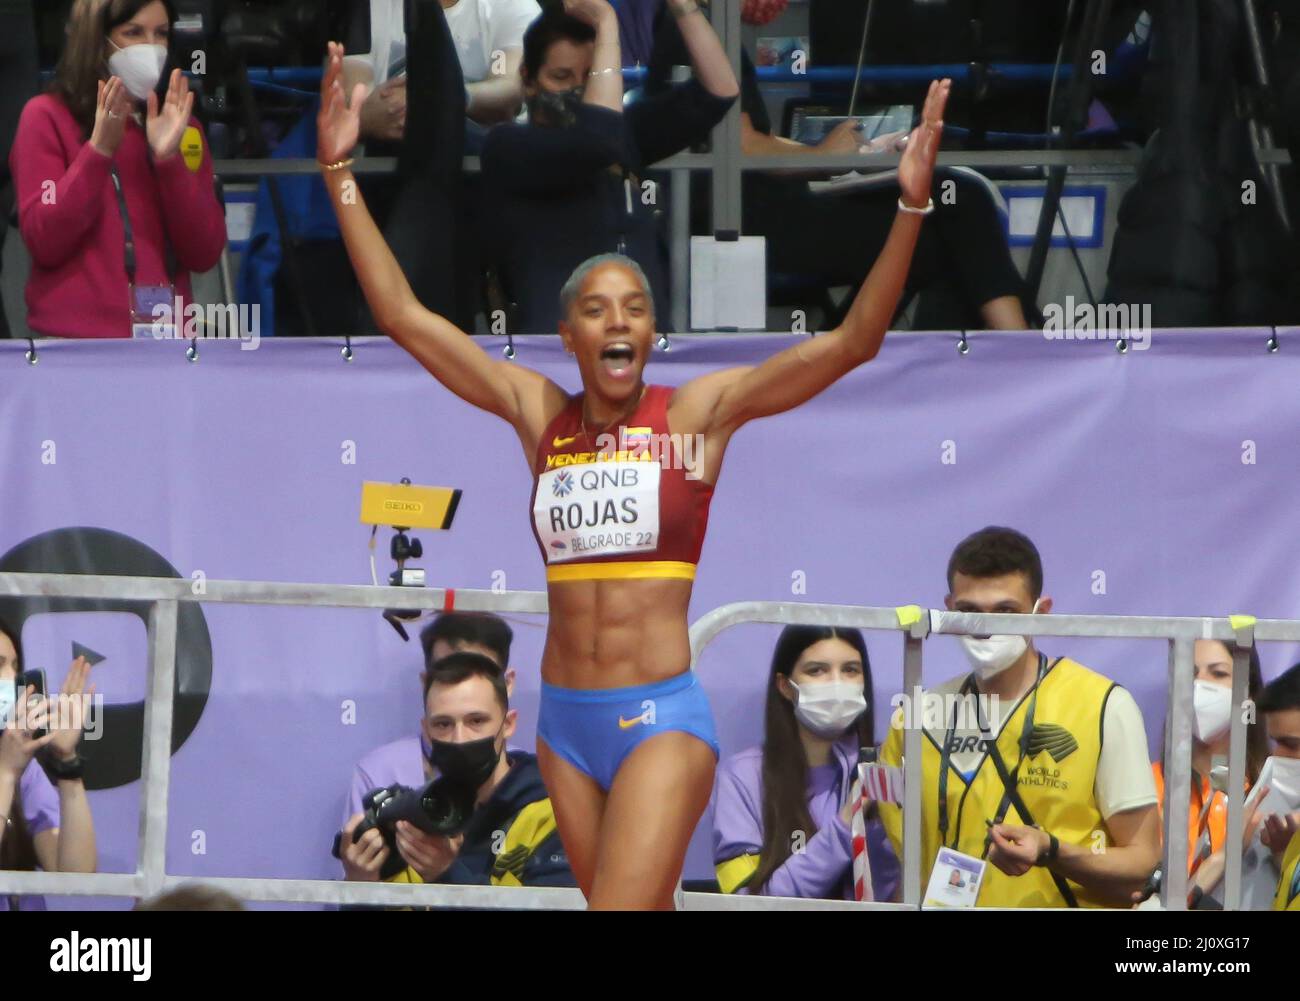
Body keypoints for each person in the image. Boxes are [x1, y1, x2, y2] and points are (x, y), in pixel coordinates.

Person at [318, 27, 950, 906]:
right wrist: (339, 176)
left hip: (661, 716)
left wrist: (911, 207)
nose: (618, 320)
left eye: (636, 307)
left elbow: (853, 341)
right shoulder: (537, 412)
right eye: (595, 307)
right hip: (564, 729)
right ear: (568, 331)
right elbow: (402, 316)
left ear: (650, 333)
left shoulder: (698, 411)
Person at [642, 10, 1029, 331]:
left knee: (957, 200)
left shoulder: (706, 24)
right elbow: (742, 145)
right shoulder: (694, 27)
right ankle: (1020, 357)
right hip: (753, 224)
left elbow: (750, 139)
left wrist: (862, 155)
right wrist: (824, 155)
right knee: (962, 209)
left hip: (775, 207)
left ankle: (977, 373)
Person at [878, 526, 1161, 908]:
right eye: (970, 612)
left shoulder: (1103, 705)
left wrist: (1051, 850)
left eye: (1006, 612)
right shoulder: (915, 719)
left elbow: (1142, 860)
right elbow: (909, 867)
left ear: (1040, 612)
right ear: (948, 610)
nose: (986, 628)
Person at [480, 0, 739, 334]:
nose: (577, 89)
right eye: (561, 77)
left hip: (642, 348)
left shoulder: (625, 134)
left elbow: (719, 90)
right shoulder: (507, 146)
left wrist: (683, 8)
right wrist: (606, 20)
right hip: (555, 353)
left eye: (589, 75)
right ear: (528, 80)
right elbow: (596, 139)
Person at [8, 0, 225, 339]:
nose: (151, 48)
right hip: (75, 351)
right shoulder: (45, 117)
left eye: (161, 34)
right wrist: (98, 152)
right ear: (96, 39)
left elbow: (205, 252)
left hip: (168, 346)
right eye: (133, 32)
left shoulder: (185, 128)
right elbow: (43, 238)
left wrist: (168, 161)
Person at [339, 652, 573, 889]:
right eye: (443, 724)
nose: (459, 739)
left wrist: (447, 875)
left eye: (476, 721)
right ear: (427, 731)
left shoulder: (557, 816)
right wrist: (362, 887)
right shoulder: (415, 818)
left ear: (508, 724)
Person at [711, 625, 899, 900]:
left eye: (850, 670)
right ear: (786, 686)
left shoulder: (889, 770)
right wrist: (846, 823)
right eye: (817, 670)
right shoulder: (741, 777)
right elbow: (747, 900)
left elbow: (907, 887)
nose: (837, 684)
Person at [341, 611, 517, 838]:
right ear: (426, 682)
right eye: (448, 671)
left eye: (481, 670)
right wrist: (360, 872)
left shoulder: (531, 782)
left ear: (507, 684)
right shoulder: (378, 773)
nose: (461, 683)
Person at [1150, 639, 1267, 900]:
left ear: (1249, 696)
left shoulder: (1269, 790)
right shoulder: (1146, 786)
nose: (1199, 685)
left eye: (1218, 673)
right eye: (1190, 674)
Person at [344, 0, 541, 146]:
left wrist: (447, 99)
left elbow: (507, 85)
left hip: (480, 163)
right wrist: (367, 116)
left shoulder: (510, 5)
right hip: (389, 158)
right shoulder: (370, 7)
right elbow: (354, 94)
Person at [0, 617, 98, 911]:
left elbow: (77, 875)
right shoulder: (12, 765)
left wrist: (67, 762)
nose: (9, 678)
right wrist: (5, 774)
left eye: (14, 666)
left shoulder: (24, 768)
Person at [1257, 663, 1300, 910]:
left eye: (1291, 744)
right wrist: (1284, 855)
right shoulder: (1293, 841)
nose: (1278, 756)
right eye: (1276, 743)